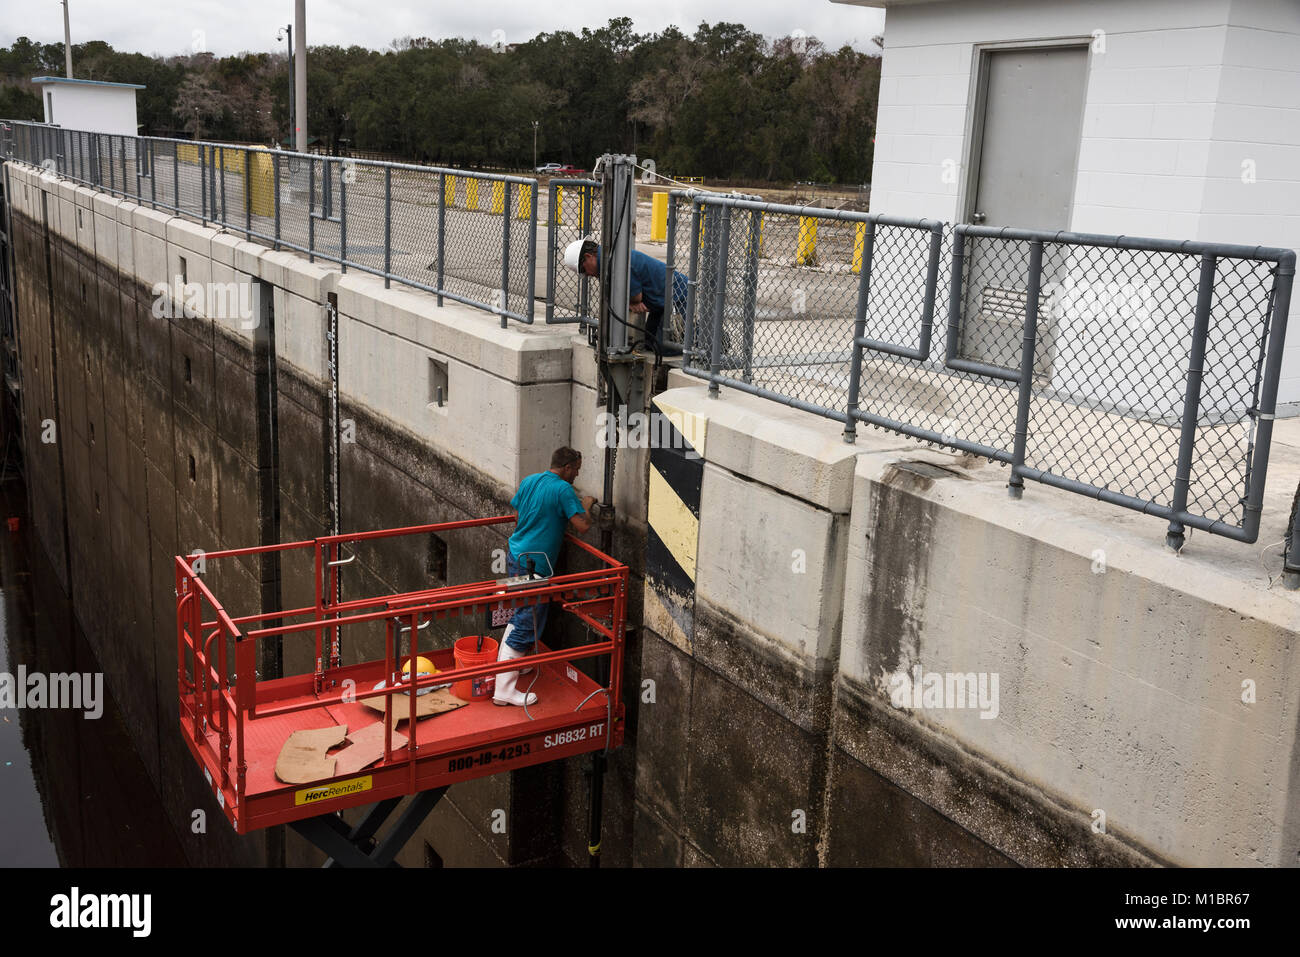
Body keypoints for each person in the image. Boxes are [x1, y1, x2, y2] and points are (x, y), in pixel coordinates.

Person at [494, 446, 597, 707]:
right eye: (576, 470)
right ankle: (503, 690)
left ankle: (515, 665)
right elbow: (583, 526)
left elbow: (518, 515)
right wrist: (586, 505)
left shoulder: (529, 480)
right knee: (527, 621)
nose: (576, 475)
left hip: (516, 556)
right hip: (534, 566)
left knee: (520, 615)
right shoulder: (563, 489)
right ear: (567, 468)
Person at [564, 239, 687, 355]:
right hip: (662, 301)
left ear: (588, 257)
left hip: (677, 296)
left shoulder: (616, 262)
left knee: (663, 348)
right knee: (650, 342)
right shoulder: (608, 261)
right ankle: (690, 336)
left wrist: (630, 303)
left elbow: (636, 297)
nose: (588, 275)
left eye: (584, 270)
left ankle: (695, 342)